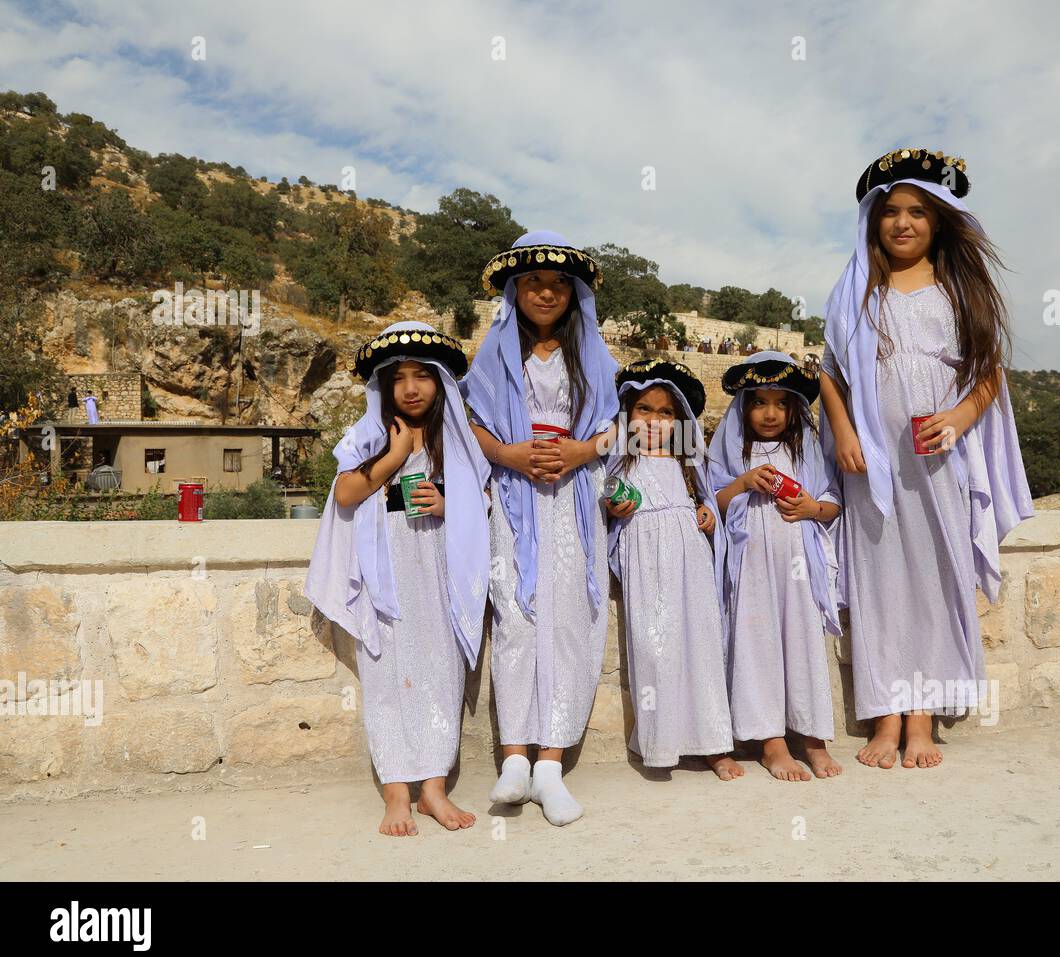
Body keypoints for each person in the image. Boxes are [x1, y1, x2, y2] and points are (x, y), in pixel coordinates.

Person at [820, 148, 1034, 769]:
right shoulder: (854, 291)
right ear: (874, 220)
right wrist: (844, 432)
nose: (903, 223)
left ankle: (923, 720)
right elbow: (831, 373)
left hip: (938, 464)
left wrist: (962, 417)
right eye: (892, 211)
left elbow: (990, 372)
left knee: (936, 580)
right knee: (879, 582)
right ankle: (885, 716)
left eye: (917, 211)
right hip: (872, 466)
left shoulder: (958, 291)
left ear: (938, 220)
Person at [305, 322, 490, 835]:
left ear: (440, 383)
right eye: (400, 378)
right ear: (384, 386)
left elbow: (483, 504)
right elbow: (344, 495)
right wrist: (395, 455)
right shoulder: (369, 434)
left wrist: (448, 504)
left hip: (437, 567)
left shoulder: (457, 438)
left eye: (422, 377)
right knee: (386, 674)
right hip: (384, 566)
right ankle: (396, 793)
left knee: (441, 670)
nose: (411, 388)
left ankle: (433, 788)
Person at [464, 231, 621, 826]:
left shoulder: (594, 356)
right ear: (516, 288)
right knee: (516, 617)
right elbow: (469, 421)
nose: (546, 293)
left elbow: (618, 428)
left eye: (558, 284)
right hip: (514, 500)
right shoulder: (493, 351)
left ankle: (551, 764)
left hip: (574, 504)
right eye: (534, 282)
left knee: (570, 619)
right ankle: (513, 760)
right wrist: (506, 456)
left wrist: (583, 451)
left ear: (574, 292)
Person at [709, 352, 843, 781]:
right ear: (744, 406)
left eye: (781, 404)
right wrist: (743, 483)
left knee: (802, 641)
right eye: (759, 402)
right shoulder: (731, 449)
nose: (770, 414)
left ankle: (813, 738)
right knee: (757, 642)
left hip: (797, 566)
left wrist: (812, 507)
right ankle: (770, 741)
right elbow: (710, 503)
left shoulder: (804, 450)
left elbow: (833, 502)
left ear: (794, 409)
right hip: (750, 568)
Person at [604, 360, 740, 779]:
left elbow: (706, 499)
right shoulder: (620, 460)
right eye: (644, 409)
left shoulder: (686, 462)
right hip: (646, 560)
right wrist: (612, 505)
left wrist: (705, 511)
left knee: (700, 644)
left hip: (689, 560)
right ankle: (662, 743)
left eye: (666, 413)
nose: (655, 420)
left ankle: (714, 745)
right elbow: (604, 497)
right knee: (655, 648)